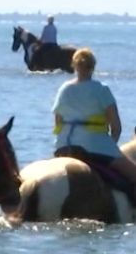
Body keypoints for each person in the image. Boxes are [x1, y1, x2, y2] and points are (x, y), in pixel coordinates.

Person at [52, 48, 136, 196]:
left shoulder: (63, 89)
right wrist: (111, 147)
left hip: (64, 146)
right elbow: (116, 127)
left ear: (74, 66)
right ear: (93, 67)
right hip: (95, 147)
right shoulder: (101, 90)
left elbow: (58, 122)